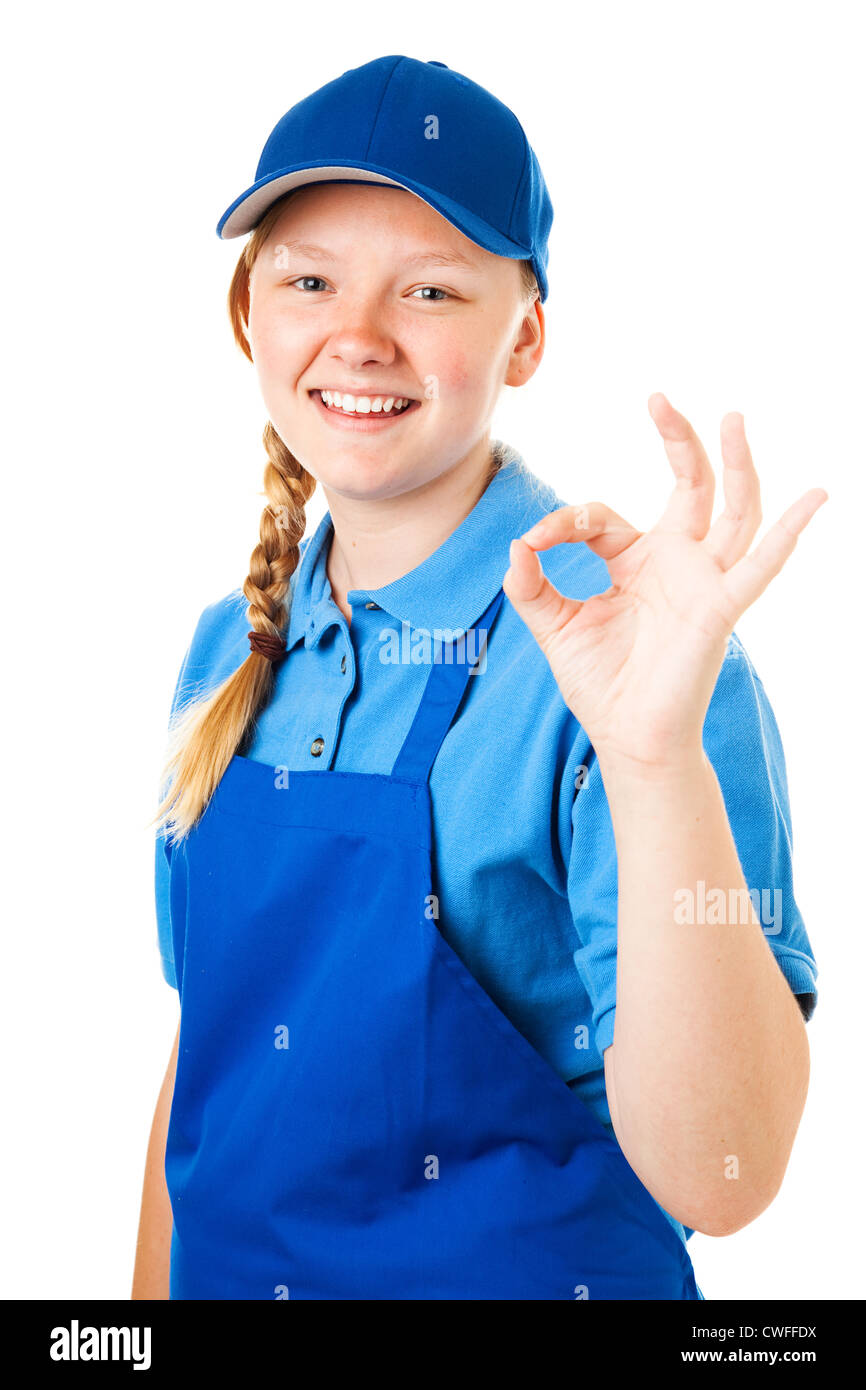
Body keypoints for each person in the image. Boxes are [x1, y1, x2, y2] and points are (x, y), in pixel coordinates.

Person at [132, 55, 824, 1301]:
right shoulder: (226, 650)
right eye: (309, 280)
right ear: (250, 315)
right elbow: (207, 1069)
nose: (357, 335)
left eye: (431, 289)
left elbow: (723, 1177)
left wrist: (653, 755)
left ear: (524, 340)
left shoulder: (633, 663)